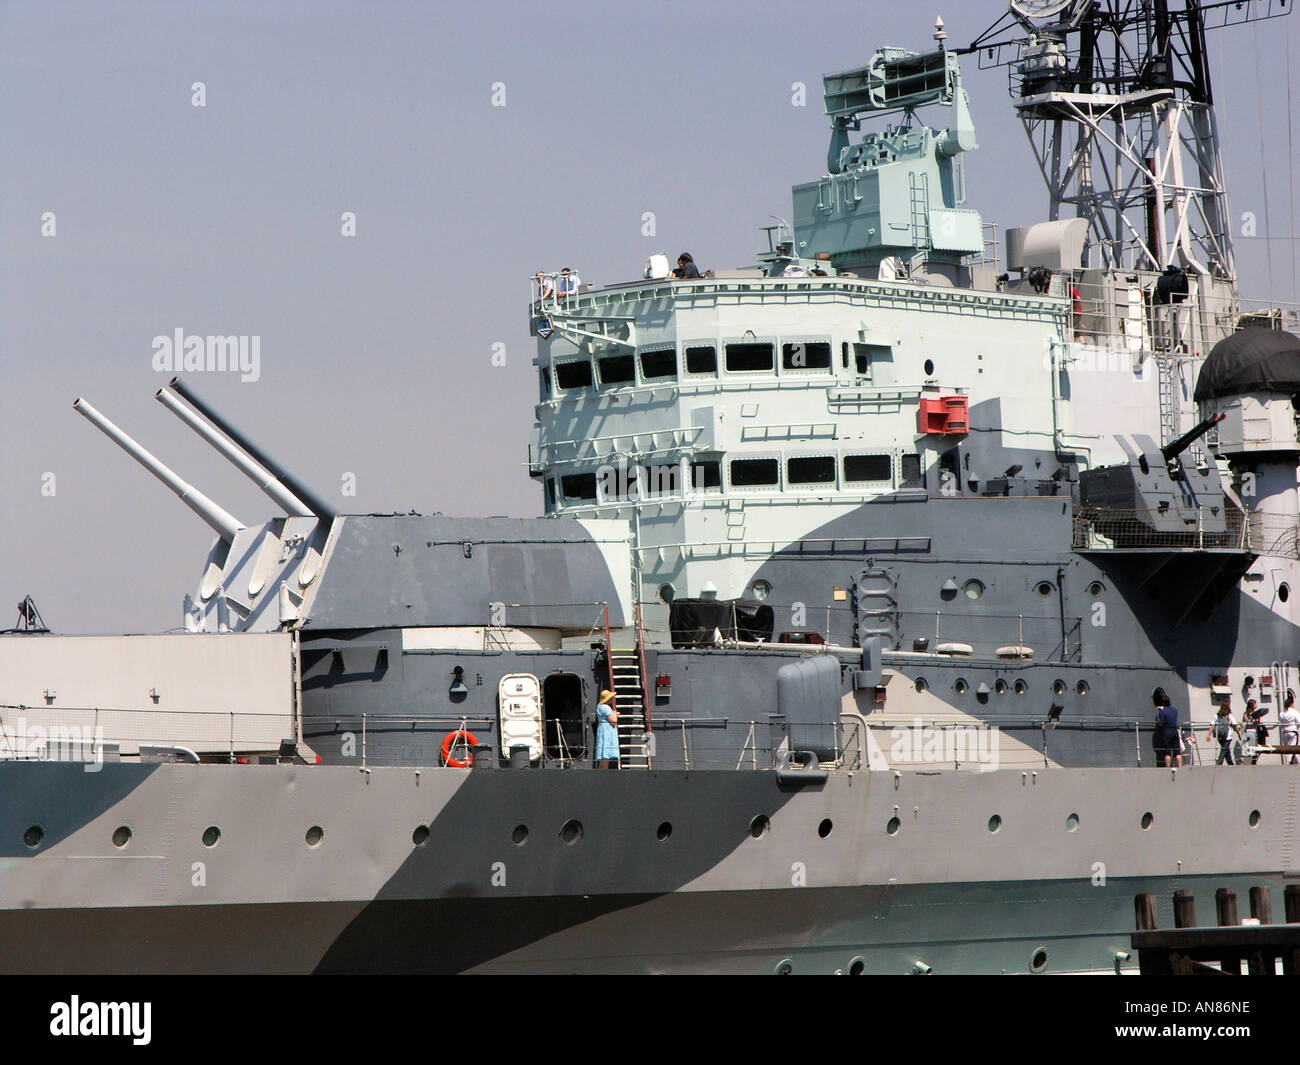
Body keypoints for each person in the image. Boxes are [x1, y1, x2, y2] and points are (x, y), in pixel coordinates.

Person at [1151, 688, 1181, 768]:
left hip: (1167, 732)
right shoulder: (1175, 710)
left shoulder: (1162, 712)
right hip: (1175, 732)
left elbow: (1161, 723)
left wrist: (1159, 719)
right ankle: (1180, 767)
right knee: (1177, 752)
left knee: (1167, 753)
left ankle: (1167, 768)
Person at [1207, 701, 1241, 766]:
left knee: (1226, 750)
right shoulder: (1230, 716)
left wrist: (1209, 735)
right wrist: (1239, 734)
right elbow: (1235, 726)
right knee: (1224, 750)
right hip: (1228, 737)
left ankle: (1231, 764)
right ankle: (1218, 764)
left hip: (1219, 736)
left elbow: (1212, 725)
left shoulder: (1217, 715)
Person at [594, 689, 620, 769]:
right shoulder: (606, 708)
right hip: (607, 731)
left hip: (602, 729)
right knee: (606, 752)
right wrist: (615, 714)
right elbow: (613, 721)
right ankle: (604, 770)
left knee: (603, 752)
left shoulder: (599, 706)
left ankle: (600, 770)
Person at [1245, 698, 1268, 764]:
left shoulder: (1248, 713)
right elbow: (1253, 722)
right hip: (1251, 732)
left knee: (1252, 749)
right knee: (1253, 749)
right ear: (1252, 705)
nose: (1256, 705)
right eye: (1255, 704)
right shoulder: (1251, 714)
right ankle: (1251, 763)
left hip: (1250, 732)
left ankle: (1250, 763)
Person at [1280, 690, 1300, 765]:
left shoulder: (1282, 713)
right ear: (1291, 704)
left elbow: (1281, 721)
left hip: (1285, 732)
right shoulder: (1294, 712)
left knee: (1287, 748)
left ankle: (1293, 762)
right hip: (1293, 732)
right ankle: (1288, 763)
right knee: (1293, 748)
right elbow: (1299, 721)